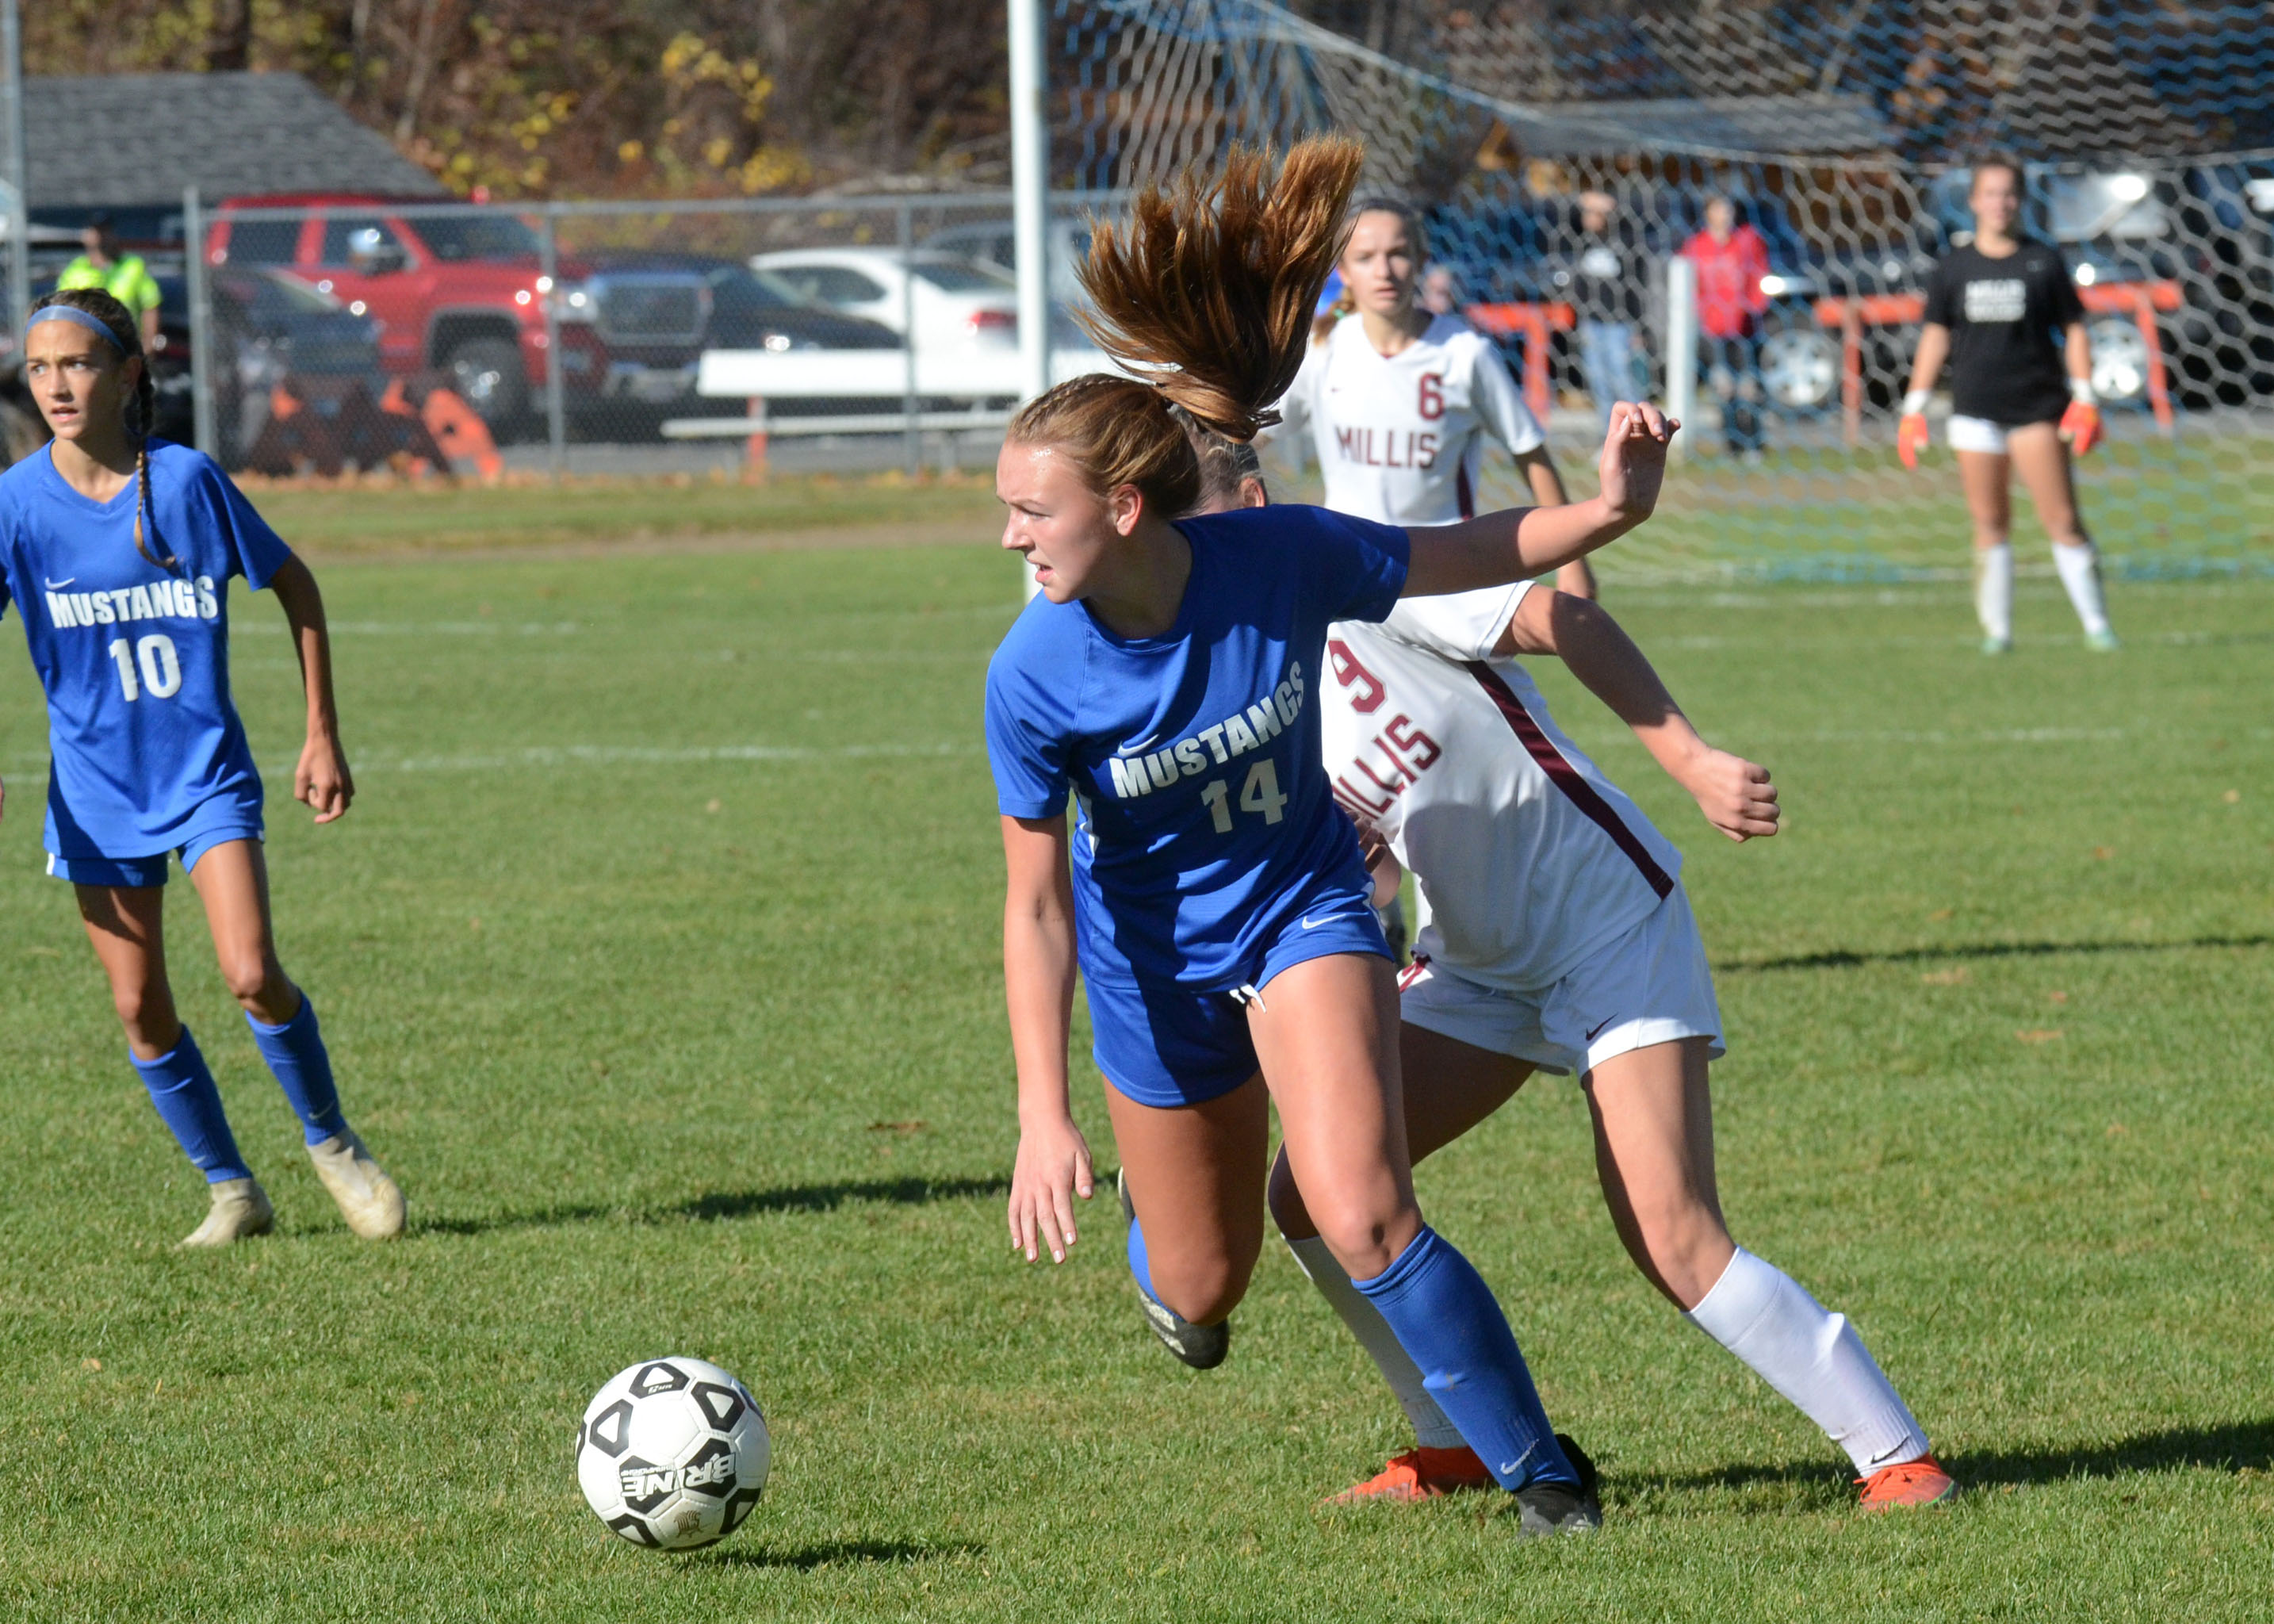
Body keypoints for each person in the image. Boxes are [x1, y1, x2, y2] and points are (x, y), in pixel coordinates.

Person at [987, 136, 1678, 1533]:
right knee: (1204, 1279)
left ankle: (1545, 1478)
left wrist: (1605, 509)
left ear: (1122, 510)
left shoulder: (1278, 554)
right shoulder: (1030, 672)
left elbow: (1456, 556)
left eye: (1027, 510)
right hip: (1150, 974)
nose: (1007, 539)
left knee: (1361, 1206)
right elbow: (1038, 905)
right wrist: (1040, 1112)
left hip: (1305, 910)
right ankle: (1172, 1258)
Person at [1177, 420, 1955, 1516]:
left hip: (1604, 926)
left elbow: (1564, 614)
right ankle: (1450, 1444)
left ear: (1253, 511)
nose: (1182, 570)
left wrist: (1691, 760)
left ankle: (1899, 1460)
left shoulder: (1370, 580)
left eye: (1193, 535)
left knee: (1672, 1236)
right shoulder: (1236, 677)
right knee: (1313, 1194)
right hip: (1481, 962)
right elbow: (1375, 858)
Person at [0, 289, 404, 1247]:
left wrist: (320, 732)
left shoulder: (184, 480)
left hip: (204, 774)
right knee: (140, 1007)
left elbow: (294, 584)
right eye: (40, 367)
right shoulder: (15, 502)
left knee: (251, 970)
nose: (57, 384)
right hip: (95, 792)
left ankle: (333, 1142)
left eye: (79, 363)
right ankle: (232, 1189)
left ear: (129, 374)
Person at [1275, 195, 1596, 957]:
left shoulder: (1463, 354)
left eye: (1398, 253)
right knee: (1349, 774)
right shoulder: (1323, 354)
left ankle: (1464, 931)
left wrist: (1576, 569)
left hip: (1451, 591)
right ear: (1341, 273)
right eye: (1366, 256)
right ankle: (1362, 924)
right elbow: (1253, 428)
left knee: (1461, 764)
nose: (1385, 269)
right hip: (1350, 601)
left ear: (1420, 259)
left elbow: (1532, 456)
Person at [1898, 157, 2115, 653]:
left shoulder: (2043, 260)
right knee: (1990, 523)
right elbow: (1936, 336)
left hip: (2037, 408)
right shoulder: (1954, 267)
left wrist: (2084, 396)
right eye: (1990, 193)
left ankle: (2097, 625)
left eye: (2009, 193)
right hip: (1974, 410)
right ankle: (1998, 634)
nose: (2000, 203)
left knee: (2061, 518)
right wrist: (1914, 405)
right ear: (1973, 201)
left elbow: (2076, 329)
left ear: (2020, 200)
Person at [1679, 197, 1771, 462]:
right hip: (1713, 330)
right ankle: (1731, 446)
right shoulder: (1696, 245)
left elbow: (1759, 277)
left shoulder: (1748, 239)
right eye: (1719, 209)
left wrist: (1752, 309)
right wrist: (1701, 317)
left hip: (1745, 330)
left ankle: (1754, 444)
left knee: (1749, 387)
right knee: (1723, 388)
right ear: (1708, 213)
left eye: (1729, 209)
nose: (1725, 214)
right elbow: (1690, 286)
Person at [1568, 190, 1651, 436]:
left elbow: (1640, 219)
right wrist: (1581, 200)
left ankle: (1639, 436)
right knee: (1600, 385)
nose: (1591, 218)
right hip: (1590, 325)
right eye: (1588, 213)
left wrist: (1639, 327)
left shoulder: (1625, 241)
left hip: (1619, 325)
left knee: (1623, 382)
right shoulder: (1581, 241)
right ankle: (1610, 440)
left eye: (1597, 213)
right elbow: (1563, 219)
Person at [57, 216, 163, 349]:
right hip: (86, 347)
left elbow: (150, 305)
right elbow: (62, 310)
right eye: (96, 232)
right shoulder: (74, 270)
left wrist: (148, 345)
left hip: (126, 346)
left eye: (106, 231)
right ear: (85, 236)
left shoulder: (133, 266)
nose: (101, 237)